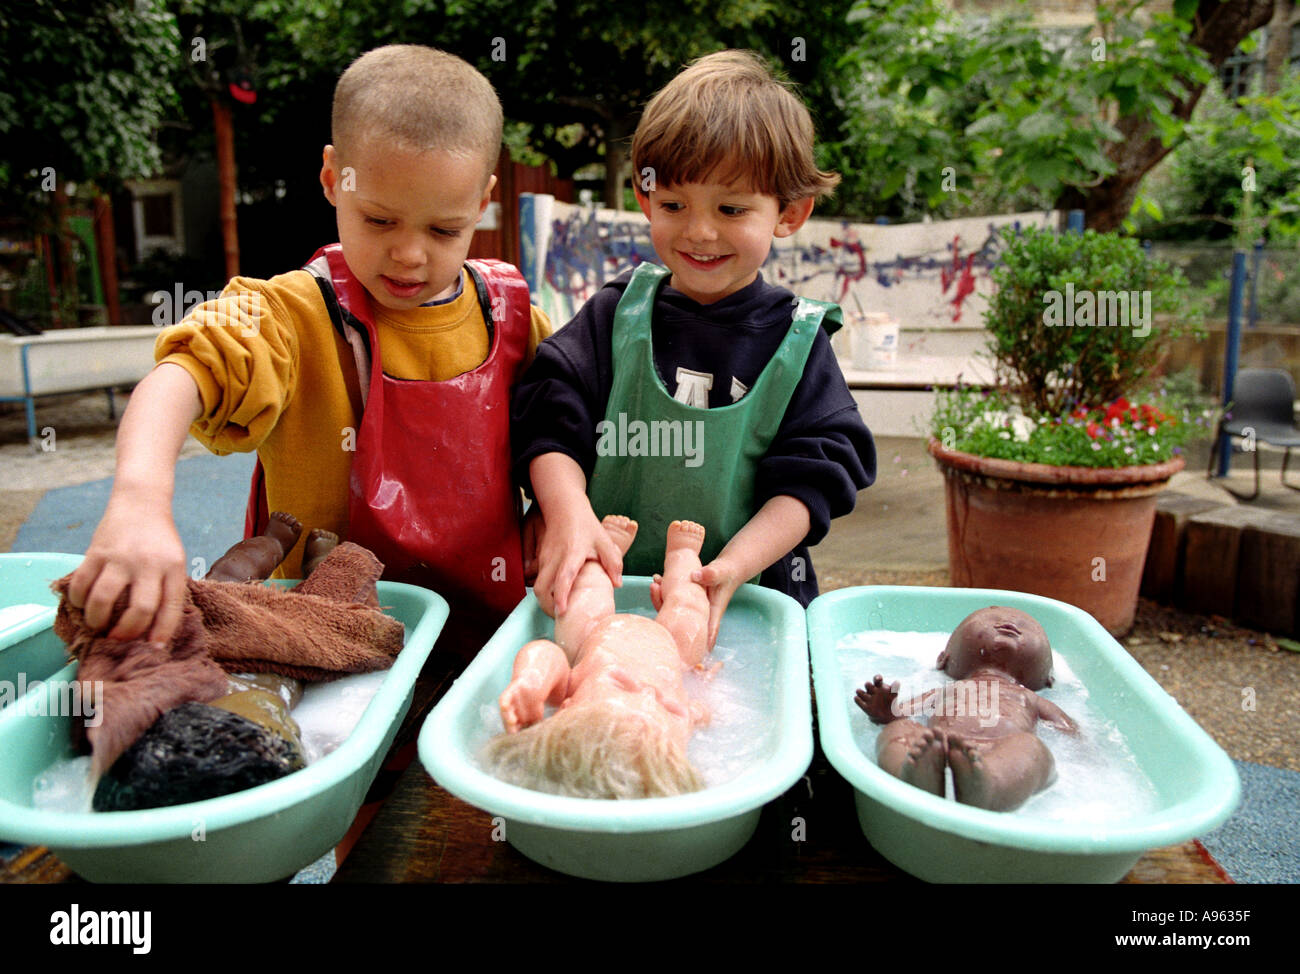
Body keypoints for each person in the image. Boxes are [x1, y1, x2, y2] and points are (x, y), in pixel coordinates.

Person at [68, 46, 551, 650]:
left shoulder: (514, 318)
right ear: (332, 179)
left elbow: (571, 431)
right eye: (379, 221)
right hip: (313, 650)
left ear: (482, 201)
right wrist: (138, 502)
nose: (409, 254)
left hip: (482, 649)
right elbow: (181, 374)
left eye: (443, 229)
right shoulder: (289, 314)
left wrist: (553, 512)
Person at [511, 50, 874, 648]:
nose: (699, 232)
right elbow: (550, 422)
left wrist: (727, 570)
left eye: (731, 209)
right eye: (674, 205)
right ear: (644, 196)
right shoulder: (615, 315)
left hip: (746, 607)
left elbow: (815, 479)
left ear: (789, 212)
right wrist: (567, 515)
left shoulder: (799, 343)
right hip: (598, 598)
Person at [482, 517, 712, 799]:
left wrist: (532, 681)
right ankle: (684, 557)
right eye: (670, 710)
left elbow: (548, 653)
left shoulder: (570, 685)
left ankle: (604, 551)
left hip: (595, 632)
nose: (649, 692)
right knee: (691, 610)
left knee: (584, 594)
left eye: (620, 686)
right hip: (674, 650)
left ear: (567, 705)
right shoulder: (685, 709)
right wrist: (706, 686)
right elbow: (706, 708)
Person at [854, 606, 1078, 812]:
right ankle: (912, 772)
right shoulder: (948, 689)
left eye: (1026, 626)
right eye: (991, 619)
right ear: (944, 660)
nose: (1010, 623)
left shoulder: (1029, 697)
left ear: (1048, 679)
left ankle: (991, 785)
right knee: (898, 730)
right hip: (937, 742)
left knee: (1031, 749)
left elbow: (1070, 733)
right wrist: (887, 713)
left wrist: (1083, 750)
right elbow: (903, 713)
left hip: (1003, 751)